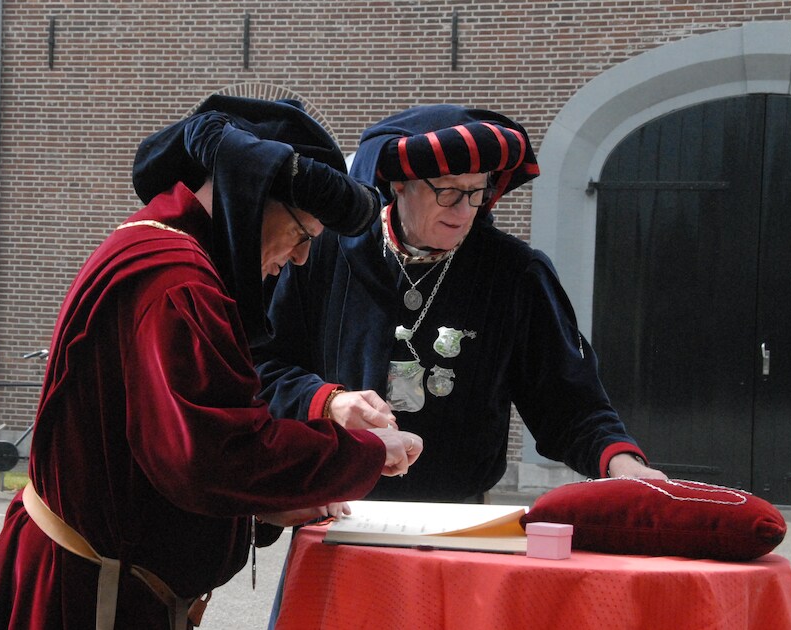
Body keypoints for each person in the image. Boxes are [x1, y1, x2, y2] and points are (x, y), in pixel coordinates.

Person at [0, 94, 423, 630]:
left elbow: (157, 452)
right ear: (253, 198)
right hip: (92, 602)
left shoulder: (170, 256)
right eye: (302, 235)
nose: (300, 258)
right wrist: (366, 454)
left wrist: (267, 503)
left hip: (110, 586)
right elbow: (211, 456)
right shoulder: (177, 282)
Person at [255, 104, 668, 506]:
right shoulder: (323, 252)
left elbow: (569, 403)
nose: (464, 210)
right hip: (336, 506)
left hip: (457, 519)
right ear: (400, 183)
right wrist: (327, 401)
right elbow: (263, 368)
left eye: (476, 192)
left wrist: (623, 464)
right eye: (448, 190)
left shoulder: (514, 273)